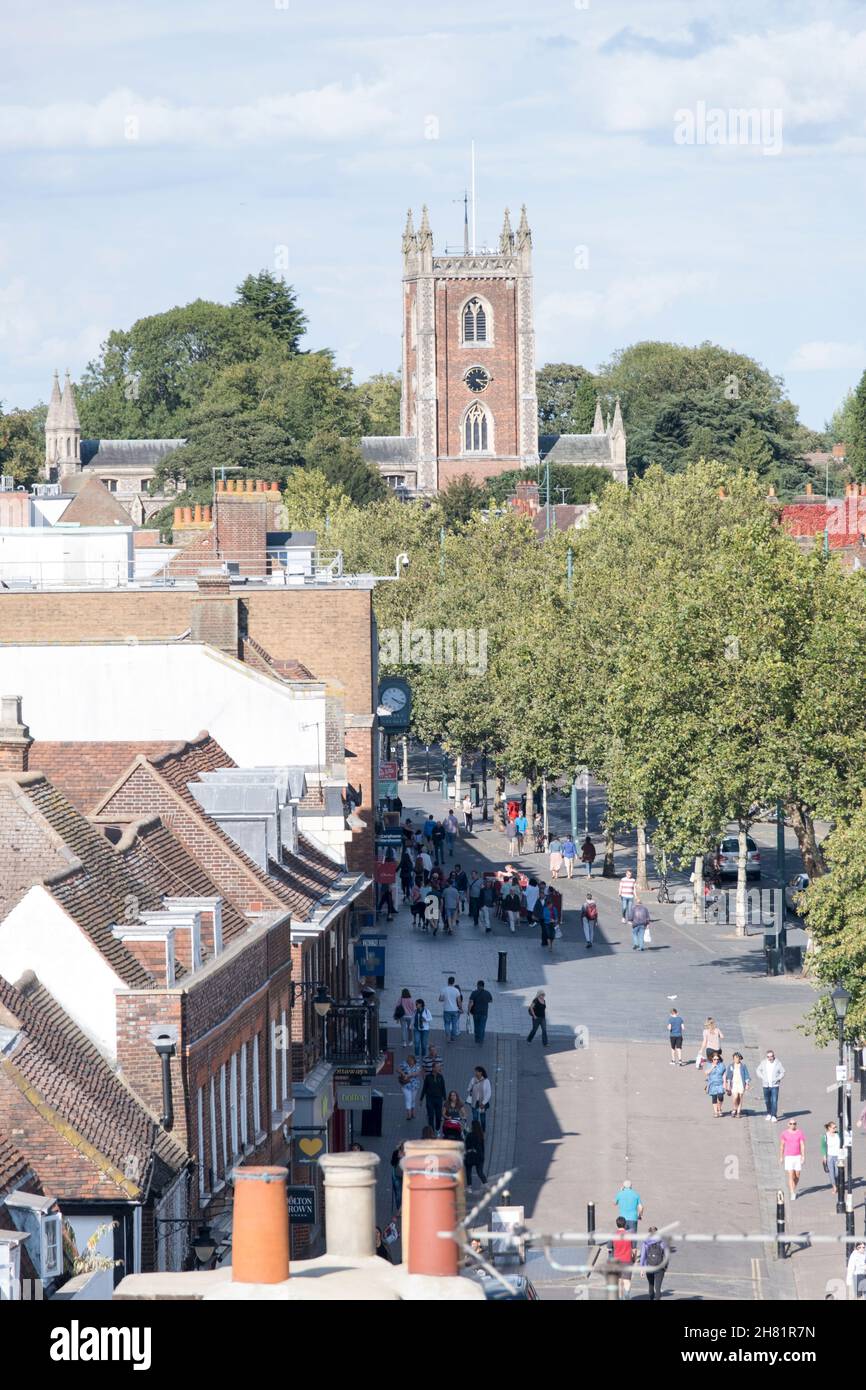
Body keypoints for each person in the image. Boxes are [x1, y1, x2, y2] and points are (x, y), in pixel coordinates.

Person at [640, 1227, 669, 1301]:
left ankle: (651, 1298)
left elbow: (643, 1256)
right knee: (658, 1288)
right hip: (660, 1267)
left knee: (651, 1285)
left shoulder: (645, 1242)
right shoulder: (662, 1242)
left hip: (649, 1267)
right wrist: (665, 1266)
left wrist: (642, 1269)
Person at [780, 1118, 806, 1200]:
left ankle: (793, 1188)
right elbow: (782, 1146)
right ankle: (792, 1192)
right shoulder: (784, 1133)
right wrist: (781, 1156)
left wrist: (803, 1156)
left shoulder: (799, 1133)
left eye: (794, 1123)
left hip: (797, 1156)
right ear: (788, 1124)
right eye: (791, 1124)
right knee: (790, 1175)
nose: (792, 1125)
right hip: (788, 1156)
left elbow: (802, 1145)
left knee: (797, 1175)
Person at [609, 1216, 635, 1297]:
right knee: (627, 1280)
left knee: (619, 1281)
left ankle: (620, 1298)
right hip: (627, 1260)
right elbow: (634, 1249)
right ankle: (627, 1294)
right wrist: (633, 1259)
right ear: (625, 1224)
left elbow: (609, 1248)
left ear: (617, 1224)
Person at [756, 1049, 785, 1121]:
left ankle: (774, 1115)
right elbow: (758, 1070)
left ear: (773, 1056)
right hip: (765, 1085)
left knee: (774, 1101)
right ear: (766, 1057)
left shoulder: (777, 1063)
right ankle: (769, 1113)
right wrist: (762, 1077)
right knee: (767, 1101)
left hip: (774, 1085)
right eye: (768, 1056)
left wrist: (778, 1078)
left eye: (771, 1056)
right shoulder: (764, 1062)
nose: (770, 1058)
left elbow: (783, 1072)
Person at [421, 1061, 446, 1134]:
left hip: (438, 1099)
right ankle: (431, 1131)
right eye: (437, 1067)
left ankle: (437, 1129)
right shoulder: (428, 1077)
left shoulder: (440, 1077)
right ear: (433, 1068)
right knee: (431, 1115)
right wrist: (421, 1099)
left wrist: (445, 1099)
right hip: (430, 1098)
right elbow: (424, 1088)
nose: (439, 1068)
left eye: (439, 1067)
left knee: (438, 1116)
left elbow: (443, 1088)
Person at [725, 1051, 751, 1117]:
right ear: (733, 1059)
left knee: (740, 1097)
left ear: (740, 1058)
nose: (736, 1059)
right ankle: (734, 1108)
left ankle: (738, 1112)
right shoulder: (731, 1066)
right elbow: (728, 1076)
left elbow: (746, 1075)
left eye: (737, 1058)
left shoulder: (743, 1066)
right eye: (735, 1058)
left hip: (741, 1083)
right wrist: (728, 1085)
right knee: (735, 1097)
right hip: (734, 1084)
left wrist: (747, 1084)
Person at [467, 1065, 492, 1131]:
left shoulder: (486, 1081)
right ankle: (475, 1131)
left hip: (482, 1103)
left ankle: (483, 1131)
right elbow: (468, 1089)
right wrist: (471, 1086)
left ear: (481, 1073)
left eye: (477, 1072)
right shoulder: (473, 1079)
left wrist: (483, 1103)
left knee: (482, 1118)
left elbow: (488, 1093)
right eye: (475, 1072)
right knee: (475, 1118)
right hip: (474, 1102)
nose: (475, 1073)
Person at [464, 1120, 488, 1190]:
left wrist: (466, 1134)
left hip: (470, 1156)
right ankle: (486, 1185)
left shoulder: (470, 1135)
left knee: (468, 1172)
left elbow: (467, 1145)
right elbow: (482, 1147)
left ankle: (469, 1187)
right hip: (479, 1156)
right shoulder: (480, 1135)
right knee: (480, 1172)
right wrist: (482, 1156)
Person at [439, 976, 463, 1043]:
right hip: (455, 1010)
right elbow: (459, 1001)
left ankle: (447, 1037)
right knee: (454, 1024)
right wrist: (461, 1008)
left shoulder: (444, 989)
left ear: (448, 981)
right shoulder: (456, 990)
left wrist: (445, 999)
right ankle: (453, 1037)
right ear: (453, 982)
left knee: (447, 1024)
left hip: (446, 1010)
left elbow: (440, 999)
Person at [398, 1054, 421, 1120]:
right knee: (408, 1099)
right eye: (408, 1060)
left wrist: (408, 1075)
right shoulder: (404, 1064)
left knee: (413, 1099)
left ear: (414, 1060)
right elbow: (398, 1069)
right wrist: (402, 1073)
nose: (409, 1061)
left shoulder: (417, 1065)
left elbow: (417, 1073)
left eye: (410, 1060)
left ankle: (413, 1112)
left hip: (415, 1085)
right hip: (406, 1085)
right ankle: (409, 1114)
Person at [821, 1121, 842, 1193]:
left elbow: (842, 1143)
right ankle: (834, 1187)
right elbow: (823, 1147)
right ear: (829, 1128)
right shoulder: (825, 1136)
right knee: (831, 1173)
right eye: (833, 1127)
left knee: (837, 1173)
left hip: (838, 1156)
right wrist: (824, 1157)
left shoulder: (838, 1134)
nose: (835, 1128)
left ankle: (837, 1183)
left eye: (835, 1127)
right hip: (830, 1157)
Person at [705, 1052, 726, 1117]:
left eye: (717, 1059)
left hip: (720, 1083)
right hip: (712, 1083)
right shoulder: (709, 1064)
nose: (716, 1060)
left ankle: (719, 1108)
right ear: (712, 1059)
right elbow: (706, 1073)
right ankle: (716, 1112)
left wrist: (725, 1083)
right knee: (714, 1098)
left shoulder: (722, 1065)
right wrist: (712, 1067)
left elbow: (724, 1074)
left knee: (720, 1097)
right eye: (714, 1059)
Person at [390, 1143, 405, 1211]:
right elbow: (392, 1163)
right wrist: (398, 1158)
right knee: (398, 1194)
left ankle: (404, 1208)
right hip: (397, 1175)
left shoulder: (409, 1153)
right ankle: (399, 1209)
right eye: (403, 1146)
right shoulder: (396, 1152)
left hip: (406, 1176)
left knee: (405, 1193)